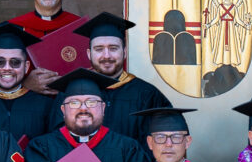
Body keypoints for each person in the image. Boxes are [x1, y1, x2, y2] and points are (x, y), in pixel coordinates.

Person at [43, 13, 173, 144]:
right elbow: (56, 141)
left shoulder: (147, 95)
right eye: (99, 49)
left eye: (113, 48)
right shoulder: (69, 92)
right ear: (89, 54)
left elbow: (157, 144)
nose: (106, 56)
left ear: (124, 52)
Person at [0, 22, 55, 147]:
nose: (7, 68)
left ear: (26, 66)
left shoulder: (46, 107)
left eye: (15, 62)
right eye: (0, 62)